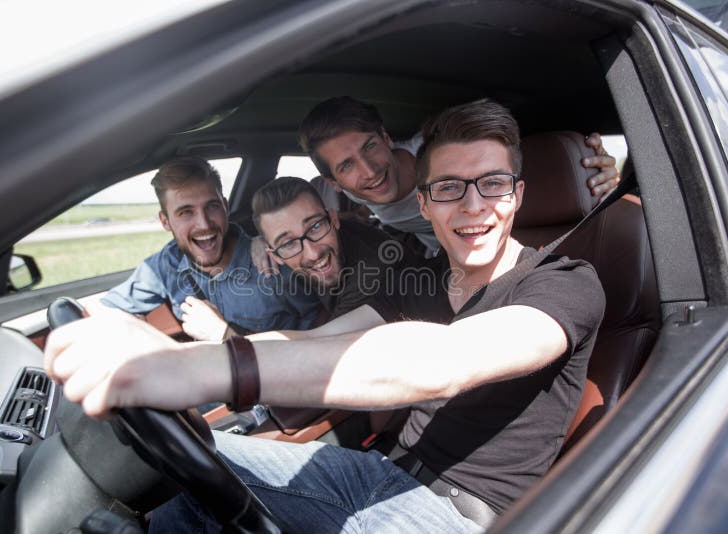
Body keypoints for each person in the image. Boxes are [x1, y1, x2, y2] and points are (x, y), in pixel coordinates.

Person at [45, 100, 605, 532]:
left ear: (517, 194)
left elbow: (443, 360)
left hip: (456, 517)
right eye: (450, 189)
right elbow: (317, 336)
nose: (475, 205)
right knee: (191, 471)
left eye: (493, 184)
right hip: (386, 476)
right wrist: (192, 352)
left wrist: (211, 367)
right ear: (426, 202)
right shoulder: (426, 280)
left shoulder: (565, 283)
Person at [297, 96, 620, 256]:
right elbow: (291, 213)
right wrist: (254, 242)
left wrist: (592, 172)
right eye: (347, 166)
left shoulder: (444, 154)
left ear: (385, 136)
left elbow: (525, 162)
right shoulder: (348, 192)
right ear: (335, 183)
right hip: (441, 256)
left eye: (369, 146)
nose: (369, 171)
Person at [100, 156, 321, 340]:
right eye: (186, 212)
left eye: (212, 206)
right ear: (165, 221)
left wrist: (223, 334)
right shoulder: (168, 262)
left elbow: (318, 334)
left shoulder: (274, 263)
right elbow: (109, 309)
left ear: (225, 206)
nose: (204, 224)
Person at [252, 176, 447, 324]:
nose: (313, 253)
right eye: (288, 244)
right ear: (275, 256)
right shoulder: (328, 239)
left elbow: (325, 347)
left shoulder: (372, 274)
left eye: (315, 227)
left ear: (334, 219)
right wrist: (256, 241)